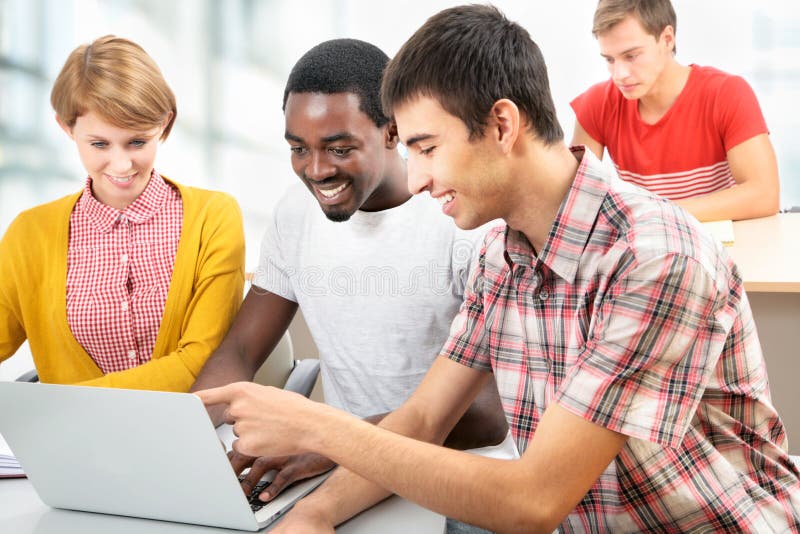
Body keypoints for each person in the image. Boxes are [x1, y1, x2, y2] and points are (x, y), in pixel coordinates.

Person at [198, 5, 800, 532]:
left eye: (428, 148)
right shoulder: (501, 254)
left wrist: (319, 429)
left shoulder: (655, 258)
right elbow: (423, 419)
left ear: (503, 126)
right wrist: (317, 513)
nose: (417, 179)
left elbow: (533, 502)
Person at [189, 38, 510, 504]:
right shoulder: (295, 213)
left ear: (392, 131)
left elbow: (488, 417)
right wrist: (181, 437)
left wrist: (329, 443)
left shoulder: (462, 222)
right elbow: (240, 351)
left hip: (453, 478)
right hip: (338, 474)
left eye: (339, 149)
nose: (316, 170)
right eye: (298, 148)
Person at [0, 35, 245, 391]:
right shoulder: (30, 233)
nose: (121, 164)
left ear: (164, 123)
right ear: (67, 128)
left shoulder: (213, 218)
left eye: (137, 142)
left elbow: (202, 361)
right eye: (99, 144)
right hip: (68, 428)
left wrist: (67, 403)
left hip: (179, 423)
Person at [571, 0, 780, 222]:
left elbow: (764, 195)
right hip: (646, 241)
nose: (620, 74)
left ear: (667, 39)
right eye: (610, 59)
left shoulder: (726, 93)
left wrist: (655, 212)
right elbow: (574, 201)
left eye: (631, 56)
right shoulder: (597, 104)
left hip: (719, 240)